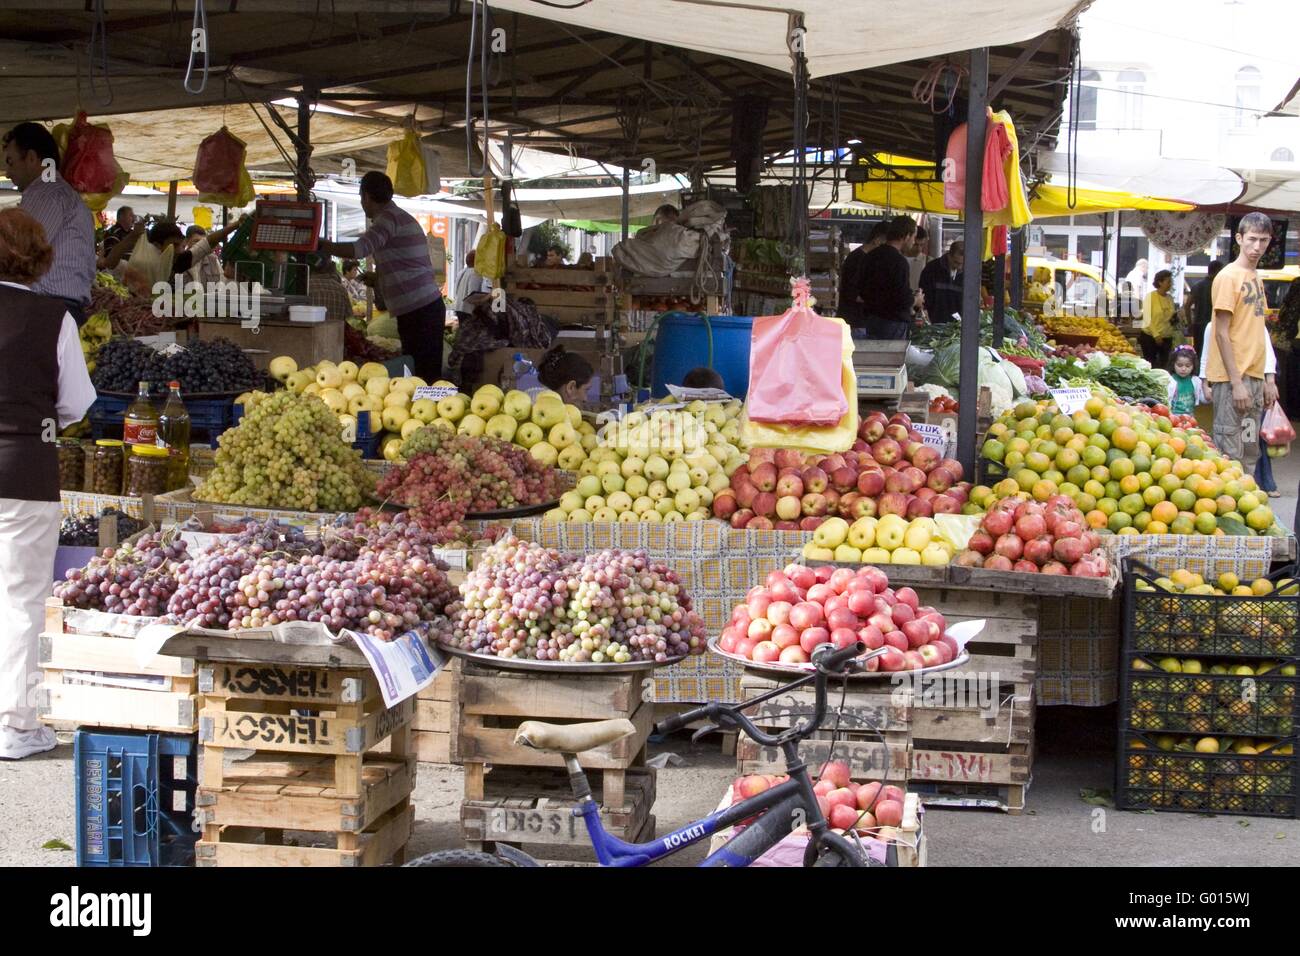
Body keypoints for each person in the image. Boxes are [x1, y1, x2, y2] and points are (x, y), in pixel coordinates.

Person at [0, 209, 96, 759]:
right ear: (38, 258)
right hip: (22, 472)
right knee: (20, 601)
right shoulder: (52, 316)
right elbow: (76, 403)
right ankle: (15, 727)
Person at [317, 172, 446, 382]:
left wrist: (322, 245)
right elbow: (405, 264)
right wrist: (379, 279)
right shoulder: (397, 217)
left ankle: (433, 409)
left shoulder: (388, 218)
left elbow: (359, 249)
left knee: (423, 374)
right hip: (421, 307)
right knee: (421, 371)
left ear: (366, 197)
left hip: (420, 310)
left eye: (361, 199)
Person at [1, 122, 96, 326]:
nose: (7, 173)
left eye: (11, 162)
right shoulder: (56, 192)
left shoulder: (48, 193)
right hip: (56, 309)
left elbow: (20, 251)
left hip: (47, 310)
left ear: (32, 158)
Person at [1204, 212, 1276, 475]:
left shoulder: (1255, 277)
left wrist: (1268, 378)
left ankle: (1247, 507)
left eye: (1264, 240)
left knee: (1249, 452)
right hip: (1233, 379)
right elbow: (1221, 333)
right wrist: (1236, 382)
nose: (1257, 247)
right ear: (1239, 238)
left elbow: (1259, 330)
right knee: (1229, 454)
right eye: (1252, 239)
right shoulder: (1228, 277)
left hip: (1254, 380)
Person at [855, 216, 917, 339]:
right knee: (892, 357)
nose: (913, 242)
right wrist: (916, 299)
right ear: (906, 236)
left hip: (871, 320)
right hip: (893, 323)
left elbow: (861, 290)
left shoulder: (870, 256)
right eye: (914, 237)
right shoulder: (899, 261)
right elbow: (902, 299)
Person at [837, 221, 888, 327]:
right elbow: (852, 292)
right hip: (854, 321)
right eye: (886, 245)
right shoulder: (857, 259)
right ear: (877, 240)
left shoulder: (866, 258)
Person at [918, 240, 965, 325]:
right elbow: (923, 296)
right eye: (956, 262)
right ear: (949, 255)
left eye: (962, 264)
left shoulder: (968, 274)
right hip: (934, 323)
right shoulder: (931, 269)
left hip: (959, 326)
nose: (959, 267)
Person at [1185, 260, 1224, 358]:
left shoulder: (1197, 286)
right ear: (1217, 271)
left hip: (1198, 324)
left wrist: (1190, 324)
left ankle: (1198, 372)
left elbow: (1187, 306)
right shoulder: (1220, 286)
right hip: (1215, 324)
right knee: (1214, 354)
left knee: (1199, 352)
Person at [1139, 269, 1176, 369]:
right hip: (1150, 337)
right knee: (1151, 365)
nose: (1170, 284)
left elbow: (1171, 317)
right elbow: (1146, 317)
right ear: (1160, 282)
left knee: (1164, 366)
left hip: (1166, 337)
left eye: (1170, 281)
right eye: (1168, 281)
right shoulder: (1150, 297)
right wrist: (1156, 335)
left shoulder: (1170, 298)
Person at [306, 256, 352, 323]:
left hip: (309, 333)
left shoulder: (306, 287)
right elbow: (350, 320)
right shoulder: (341, 290)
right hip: (336, 332)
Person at [1167, 345, 1207, 417]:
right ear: (1173, 364)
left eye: (1188, 366)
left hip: (1190, 416)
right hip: (1173, 416)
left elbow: (1203, 398)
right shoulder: (1169, 380)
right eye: (1179, 365)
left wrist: (1210, 394)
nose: (1183, 369)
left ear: (1193, 366)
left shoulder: (1196, 381)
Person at [453, 250, 487, 316]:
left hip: (459, 308)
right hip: (469, 311)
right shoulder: (475, 274)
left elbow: (456, 291)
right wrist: (487, 297)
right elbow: (472, 295)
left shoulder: (462, 272)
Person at [907, 225, 929, 292]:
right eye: (915, 245)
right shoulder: (896, 259)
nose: (919, 249)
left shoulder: (929, 261)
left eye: (922, 245)